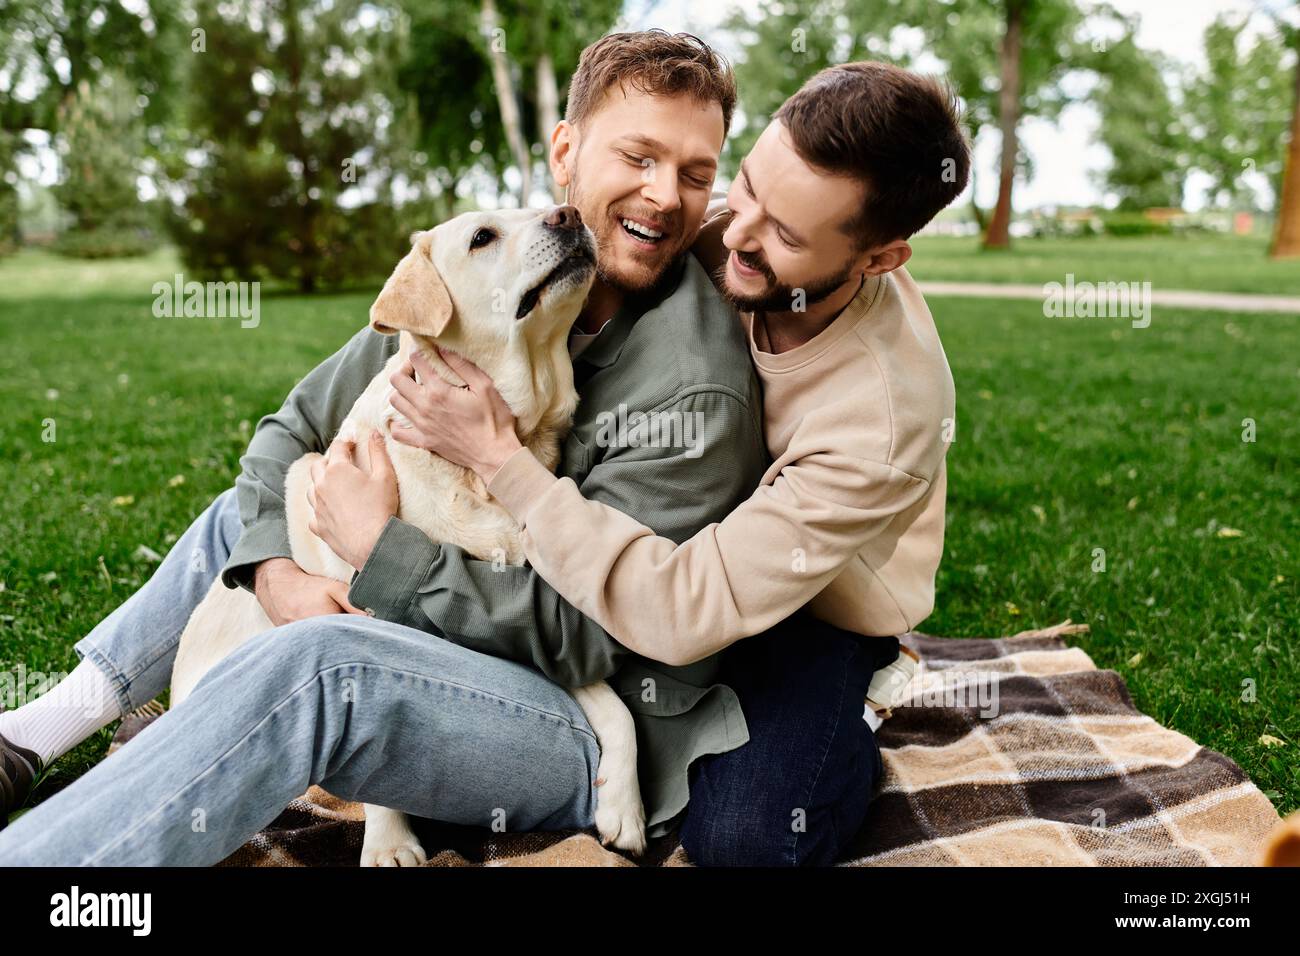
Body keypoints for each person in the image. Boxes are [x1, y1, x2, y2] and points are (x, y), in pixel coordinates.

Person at [0, 30, 772, 866]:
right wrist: (282, 576)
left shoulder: (694, 391)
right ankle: (41, 729)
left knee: (322, 663)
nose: (665, 195)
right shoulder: (480, 300)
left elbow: (595, 635)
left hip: (594, 727)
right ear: (565, 152)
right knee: (274, 506)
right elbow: (287, 435)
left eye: (697, 174)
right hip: (467, 635)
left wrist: (379, 551)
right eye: (639, 155)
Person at [378, 60, 970, 865]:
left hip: (803, 607)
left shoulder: (883, 422)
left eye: (787, 235)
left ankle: (859, 709)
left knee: (746, 839)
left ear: (877, 260)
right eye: (748, 184)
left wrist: (497, 458)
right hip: (658, 539)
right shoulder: (707, 229)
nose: (734, 229)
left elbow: (684, 614)